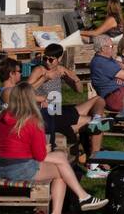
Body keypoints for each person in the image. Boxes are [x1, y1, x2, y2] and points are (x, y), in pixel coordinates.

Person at [0, 83, 107, 214]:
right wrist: (44, 149)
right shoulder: (32, 121)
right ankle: (68, 207)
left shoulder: (2, 116)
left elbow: (14, 144)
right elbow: (40, 156)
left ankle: (78, 200)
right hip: (20, 169)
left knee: (61, 158)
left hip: (1, 166)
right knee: (62, 172)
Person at [30, 44, 110, 174]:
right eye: (45, 58)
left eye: (51, 59)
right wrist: (45, 78)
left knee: (99, 100)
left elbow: (78, 91)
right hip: (48, 113)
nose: (47, 62)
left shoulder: (60, 69)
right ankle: (94, 161)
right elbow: (24, 91)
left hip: (58, 109)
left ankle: (97, 119)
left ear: (59, 58)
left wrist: (73, 77)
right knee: (99, 124)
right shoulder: (40, 70)